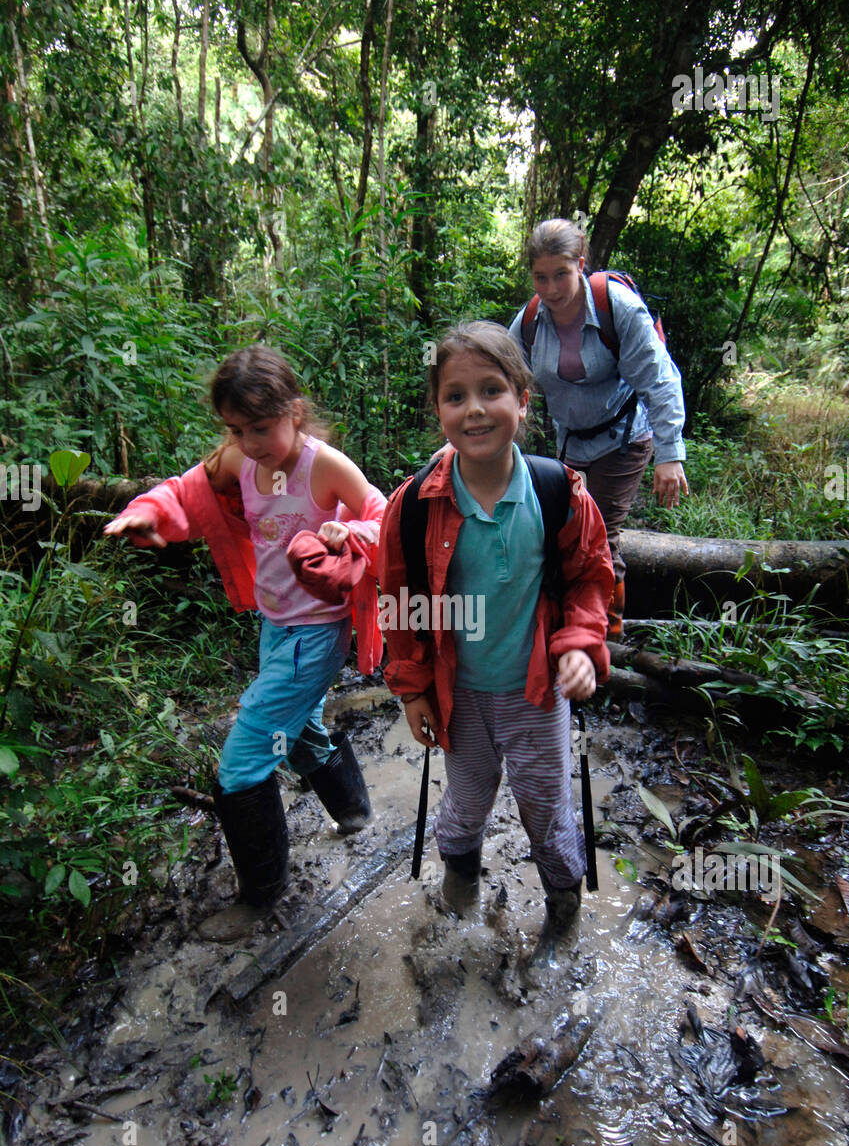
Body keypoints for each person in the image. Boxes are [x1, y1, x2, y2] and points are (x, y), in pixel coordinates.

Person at [105, 344, 386, 939]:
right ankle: (356, 811)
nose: (251, 442)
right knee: (299, 726)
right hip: (274, 625)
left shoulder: (325, 465)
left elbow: (382, 517)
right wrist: (147, 515)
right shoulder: (238, 461)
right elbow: (187, 493)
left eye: (261, 427)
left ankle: (262, 893)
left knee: (241, 763)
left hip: (317, 634)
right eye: (236, 429)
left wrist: (350, 531)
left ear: (295, 410)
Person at [379, 321, 614, 954]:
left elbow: (592, 576)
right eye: (455, 396)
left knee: (547, 808)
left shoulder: (557, 492)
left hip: (535, 693)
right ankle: (461, 889)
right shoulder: (413, 507)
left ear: (523, 400)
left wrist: (580, 644)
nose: (475, 409)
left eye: (492, 390)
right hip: (461, 696)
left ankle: (562, 912)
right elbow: (399, 605)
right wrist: (412, 691)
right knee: (466, 798)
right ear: (438, 410)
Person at [509, 218, 688, 639]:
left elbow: (660, 379)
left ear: (581, 266)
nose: (551, 288)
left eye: (561, 275)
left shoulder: (617, 308)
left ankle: (609, 631)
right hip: (571, 442)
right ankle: (569, 619)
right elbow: (503, 373)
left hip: (624, 438)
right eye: (540, 277)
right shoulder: (532, 319)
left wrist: (670, 454)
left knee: (601, 533)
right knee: (565, 529)